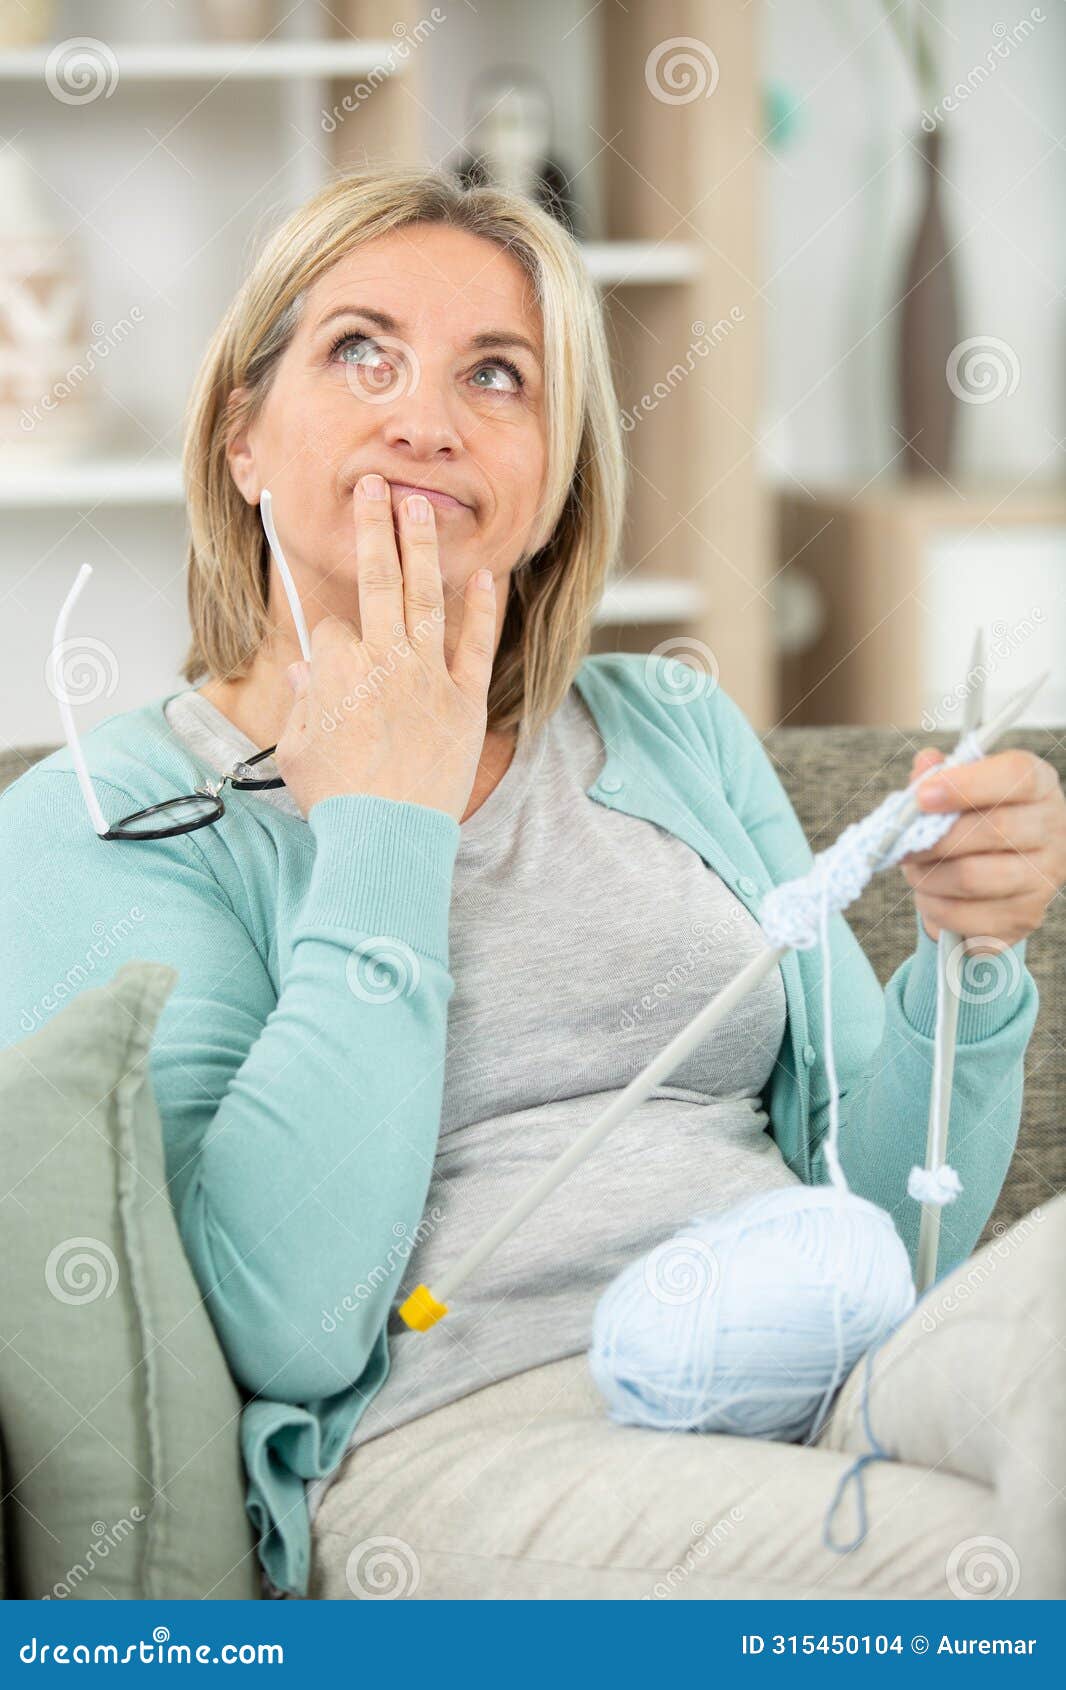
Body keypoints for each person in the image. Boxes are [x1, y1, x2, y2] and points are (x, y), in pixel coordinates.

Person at [0, 166, 1062, 1600]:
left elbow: (881, 1222)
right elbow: (286, 1323)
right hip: (468, 1445)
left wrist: (966, 961)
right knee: (980, 1566)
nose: (422, 417)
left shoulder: (664, 730)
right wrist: (383, 823)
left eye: (495, 374)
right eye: (358, 350)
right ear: (241, 433)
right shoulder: (109, 818)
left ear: (554, 480)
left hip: (819, 1357)